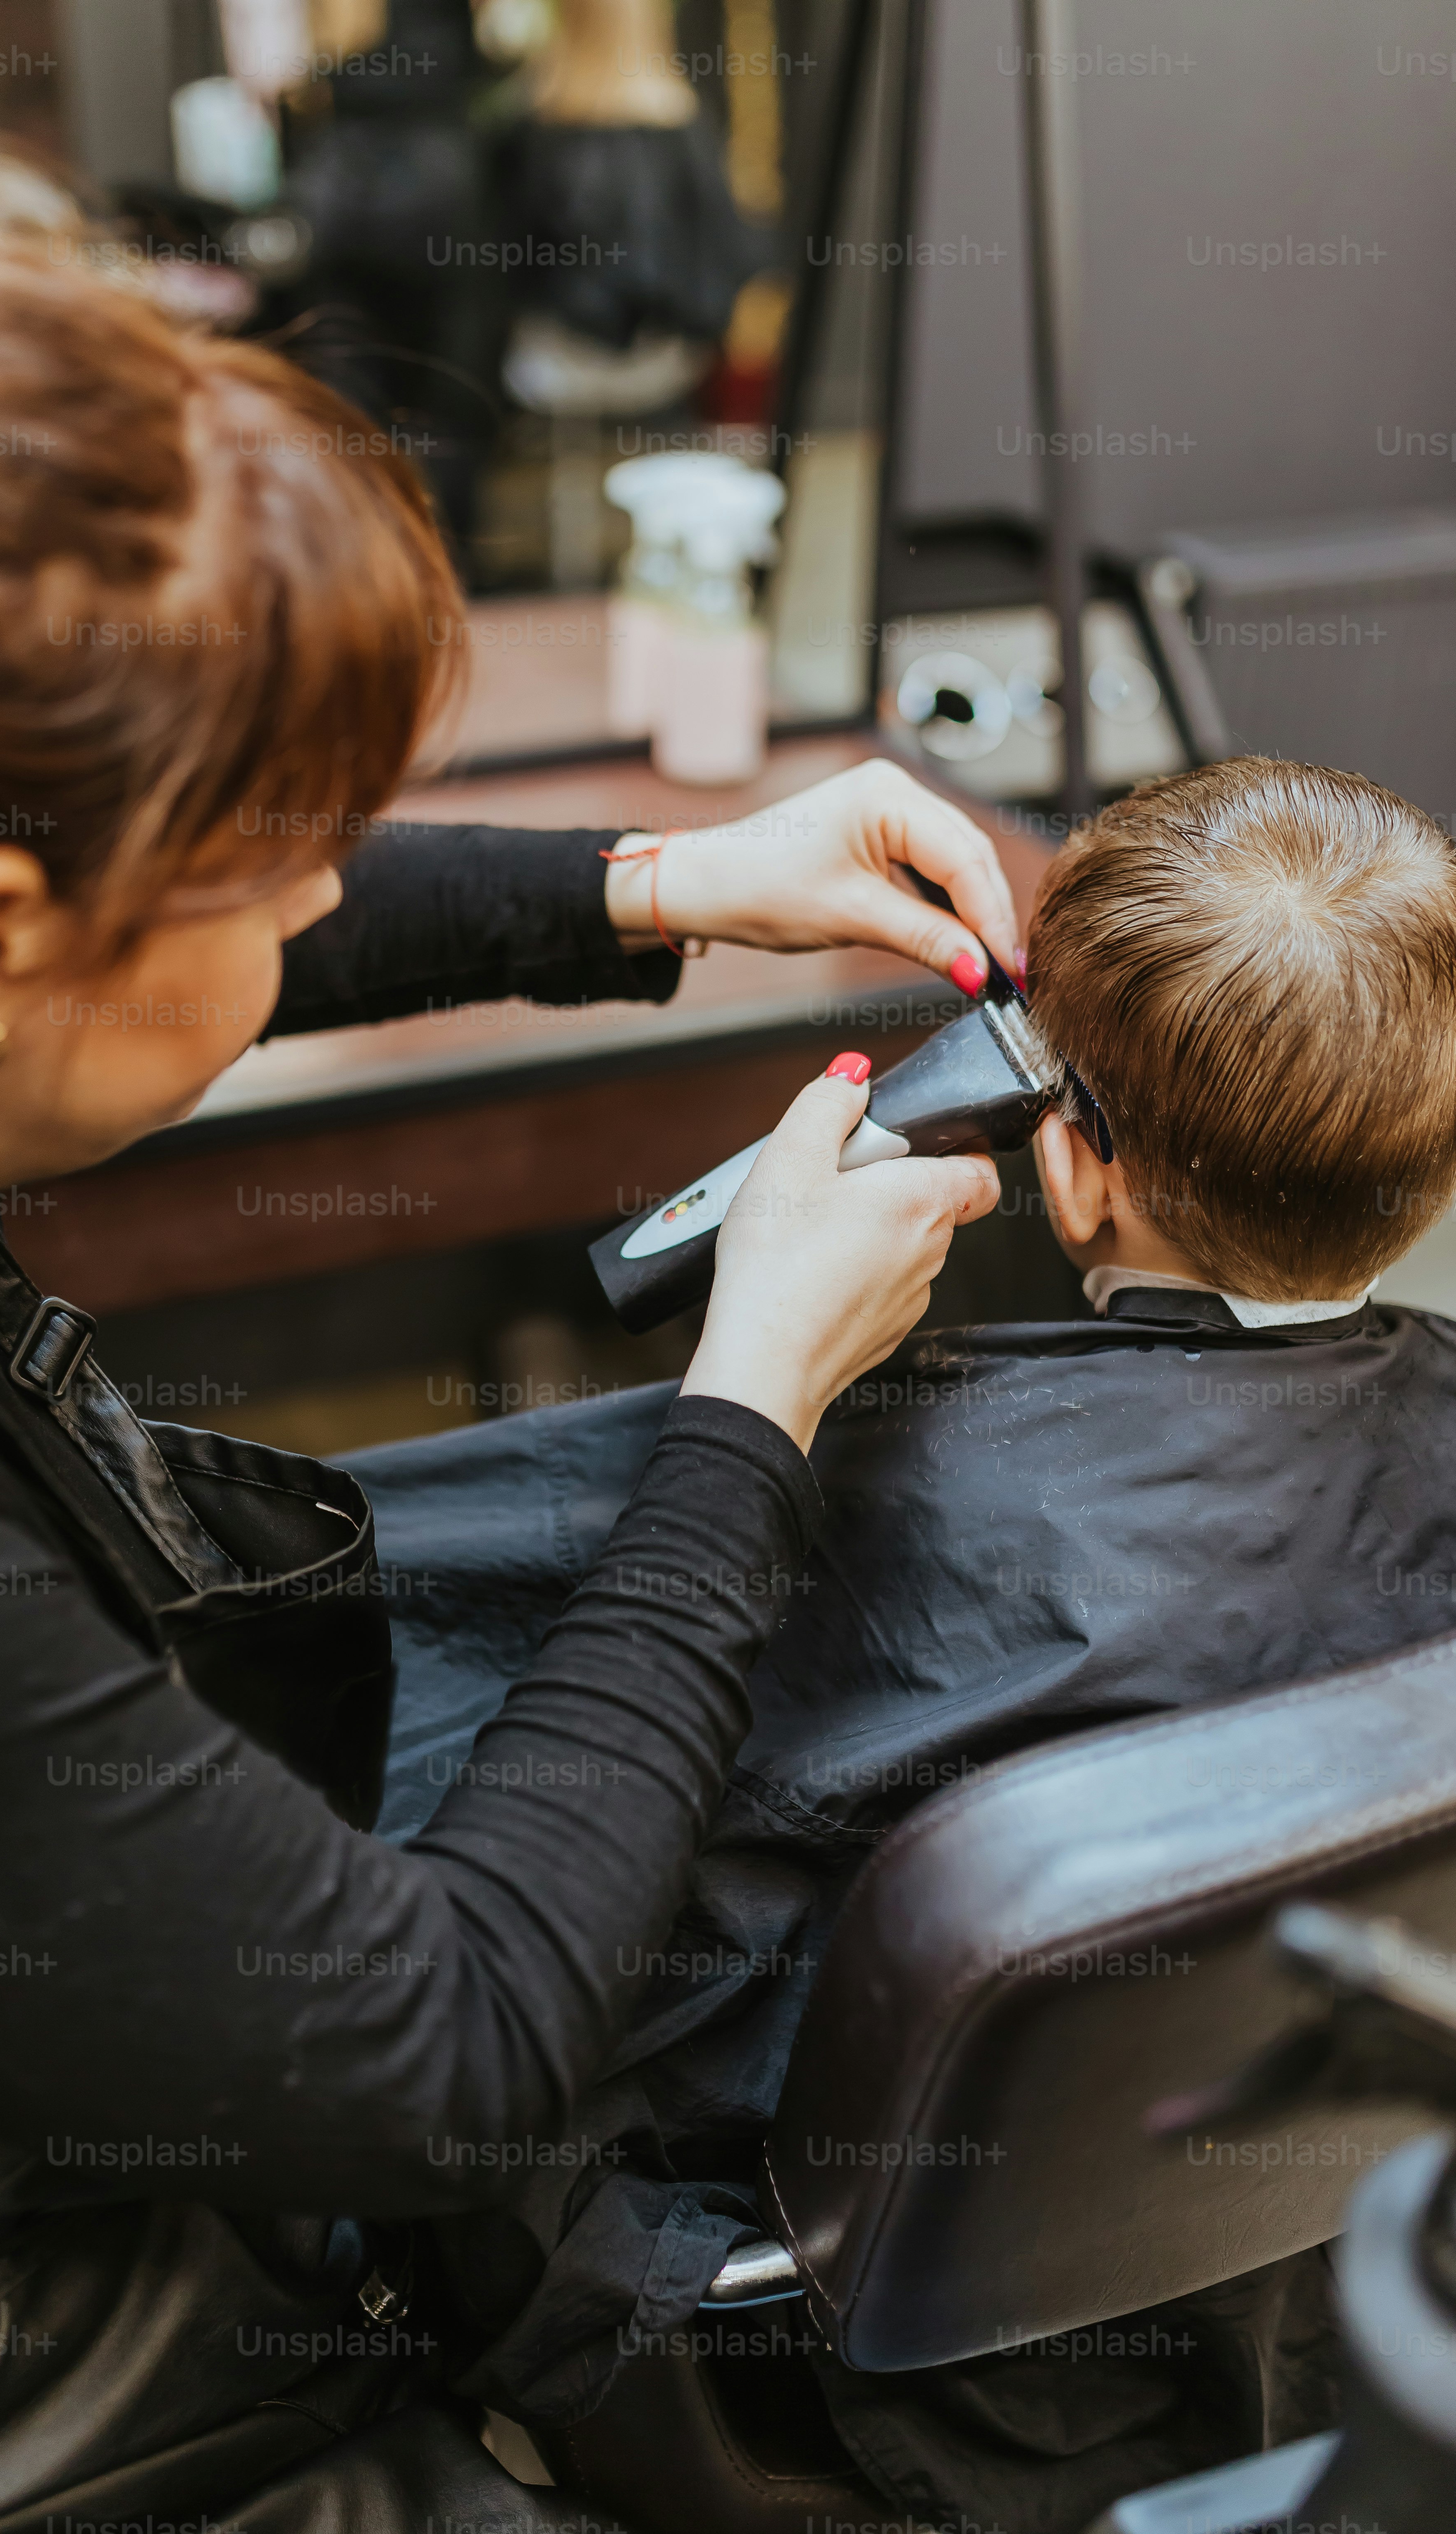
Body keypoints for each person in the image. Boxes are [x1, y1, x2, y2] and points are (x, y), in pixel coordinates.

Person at [0, 235, 1011, 2531]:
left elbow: (195, 914)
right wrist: (749, 1406)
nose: (311, 913)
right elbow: (442, 2064)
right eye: (275, 871)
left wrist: (657, 884)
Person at [370, 757, 1456, 2530]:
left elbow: (510, 1892)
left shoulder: (860, 1479)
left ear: (1066, 1159)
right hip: (1262, 2312)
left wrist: (754, 1399)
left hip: (806, 2384)